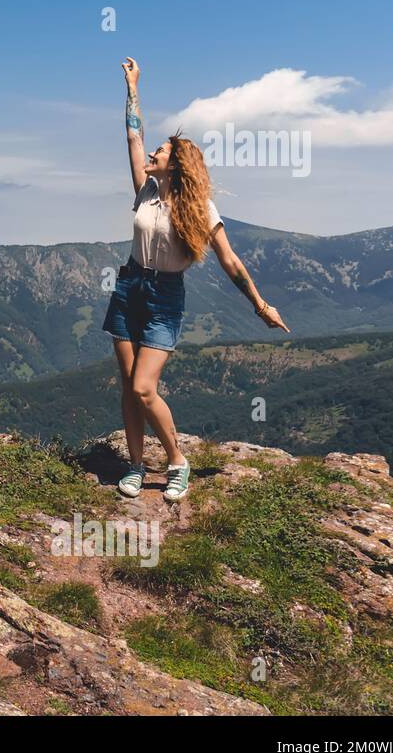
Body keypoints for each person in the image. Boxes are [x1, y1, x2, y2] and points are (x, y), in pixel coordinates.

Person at [104, 57, 289, 502]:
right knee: (128, 387)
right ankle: (133, 466)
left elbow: (231, 262)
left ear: (177, 165)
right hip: (129, 287)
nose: (152, 155)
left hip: (165, 297)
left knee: (145, 387)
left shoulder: (201, 211)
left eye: (160, 153)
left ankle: (176, 461)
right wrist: (133, 87)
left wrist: (260, 306)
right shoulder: (145, 190)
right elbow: (133, 135)